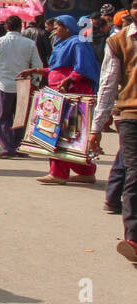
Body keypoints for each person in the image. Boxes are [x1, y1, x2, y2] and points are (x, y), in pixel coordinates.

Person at [19, 15, 100, 185]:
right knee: (66, 134)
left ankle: (58, 173)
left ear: (68, 28)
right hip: (57, 94)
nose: (55, 31)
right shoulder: (61, 45)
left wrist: (69, 79)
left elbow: (83, 67)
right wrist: (34, 70)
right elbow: (56, 69)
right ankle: (86, 171)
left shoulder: (79, 42)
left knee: (61, 134)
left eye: (58, 27)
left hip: (72, 94)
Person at [89, 0, 137, 264]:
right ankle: (133, 237)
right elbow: (107, 85)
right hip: (131, 115)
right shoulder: (118, 42)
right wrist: (97, 126)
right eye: (134, 4)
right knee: (135, 174)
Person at [0, 15, 41, 158]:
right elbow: (38, 65)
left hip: (3, 84)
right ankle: (19, 146)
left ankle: (8, 147)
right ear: (21, 27)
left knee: (2, 117)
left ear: (6, 27)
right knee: (20, 117)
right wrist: (36, 83)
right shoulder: (29, 44)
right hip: (23, 84)